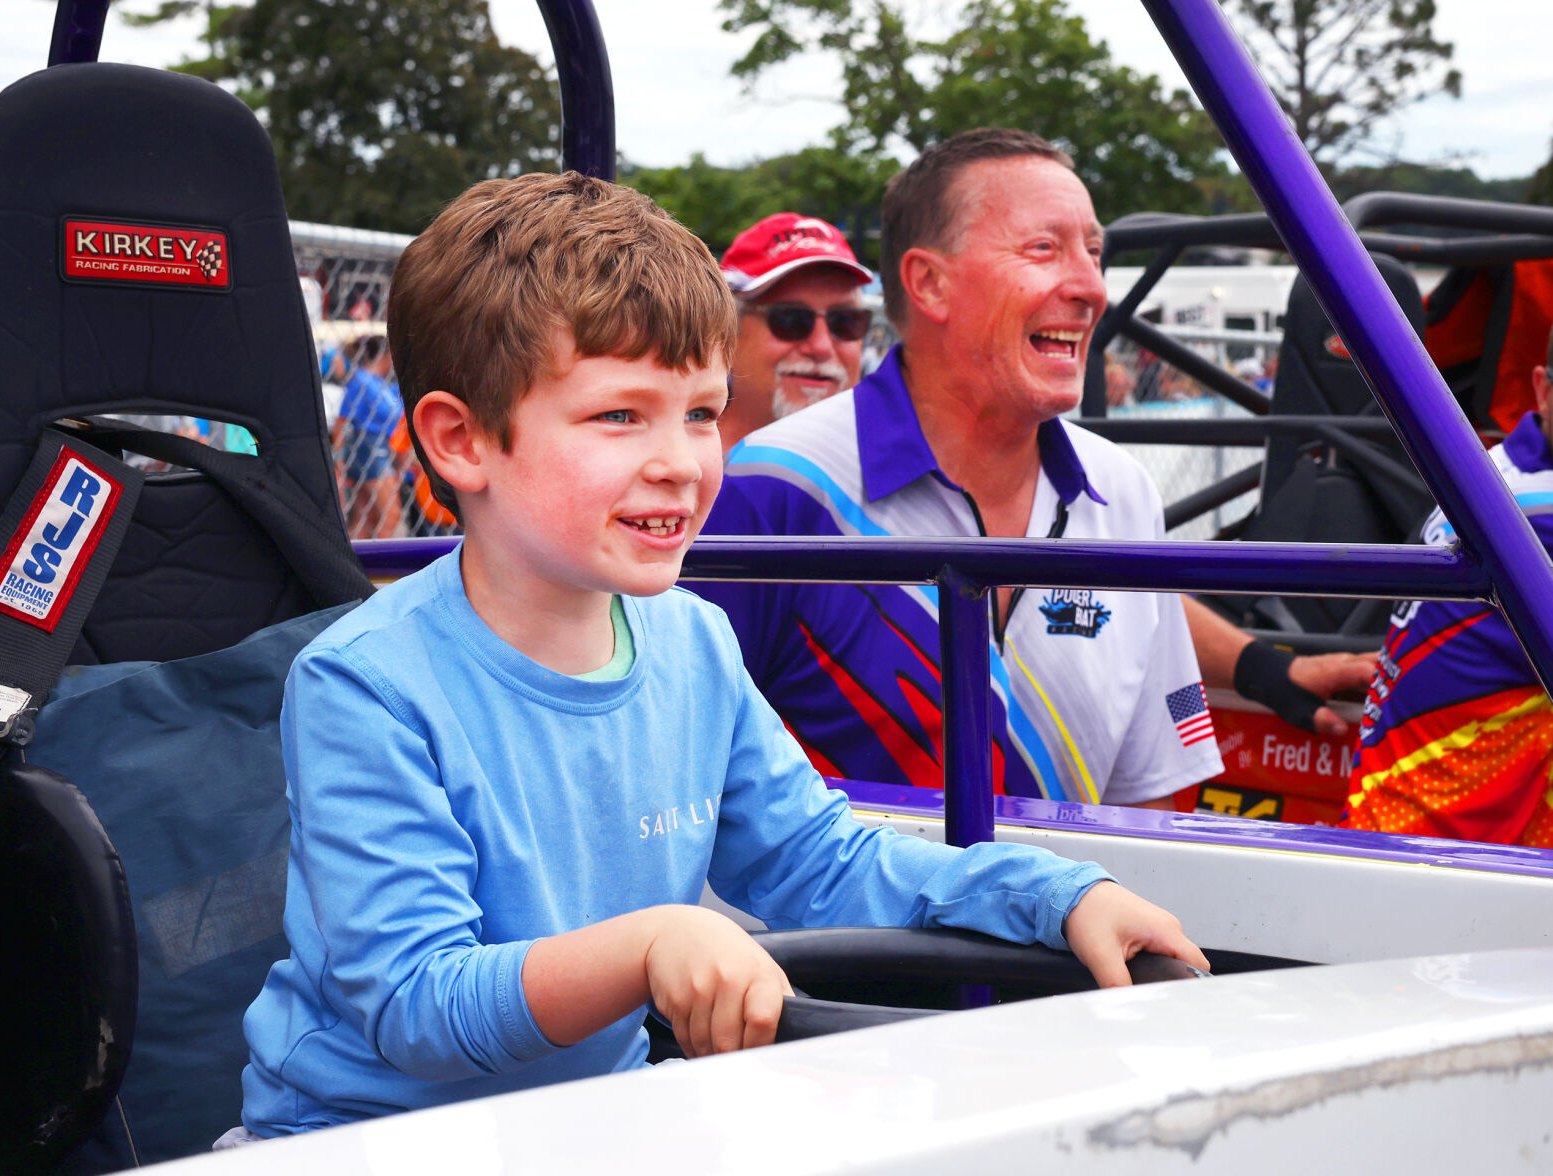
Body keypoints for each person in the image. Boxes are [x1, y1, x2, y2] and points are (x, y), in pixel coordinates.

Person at [230, 171, 1207, 1143]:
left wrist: (1053, 895)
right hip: (366, 1142)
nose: (680, 463)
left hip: (594, 1124)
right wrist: (650, 945)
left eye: (700, 413)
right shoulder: (368, 683)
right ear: (461, 441)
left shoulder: (690, 641)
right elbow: (417, 1005)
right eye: (620, 416)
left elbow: (821, 863)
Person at [697, 128, 1369, 809]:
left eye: (1094, 252)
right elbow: (685, 781)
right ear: (928, 284)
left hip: (1078, 883)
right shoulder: (771, 487)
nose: (1091, 287)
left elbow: (1153, 798)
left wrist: (1257, 666)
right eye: (1043, 248)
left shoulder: (1121, 493)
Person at [1343, 327, 1553, 846]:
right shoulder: (1540, 514)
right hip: (1446, 849)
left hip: (1396, 818)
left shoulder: (1496, 467)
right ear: (1543, 389)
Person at [718, 214, 875, 453]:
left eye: (845, 321)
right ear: (725, 333)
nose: (821, 347)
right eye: (790, 320)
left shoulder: (902, 463)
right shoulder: (675, 464)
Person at [334, 333, 404, 538]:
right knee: (391, 514)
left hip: (381, 448)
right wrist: (339, 460)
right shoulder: (361, 380)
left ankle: (355, 557)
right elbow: (341, 422)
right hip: (368, 448)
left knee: (367, 518)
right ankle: (384, 559)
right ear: (385, 356)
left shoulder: (382, 383)